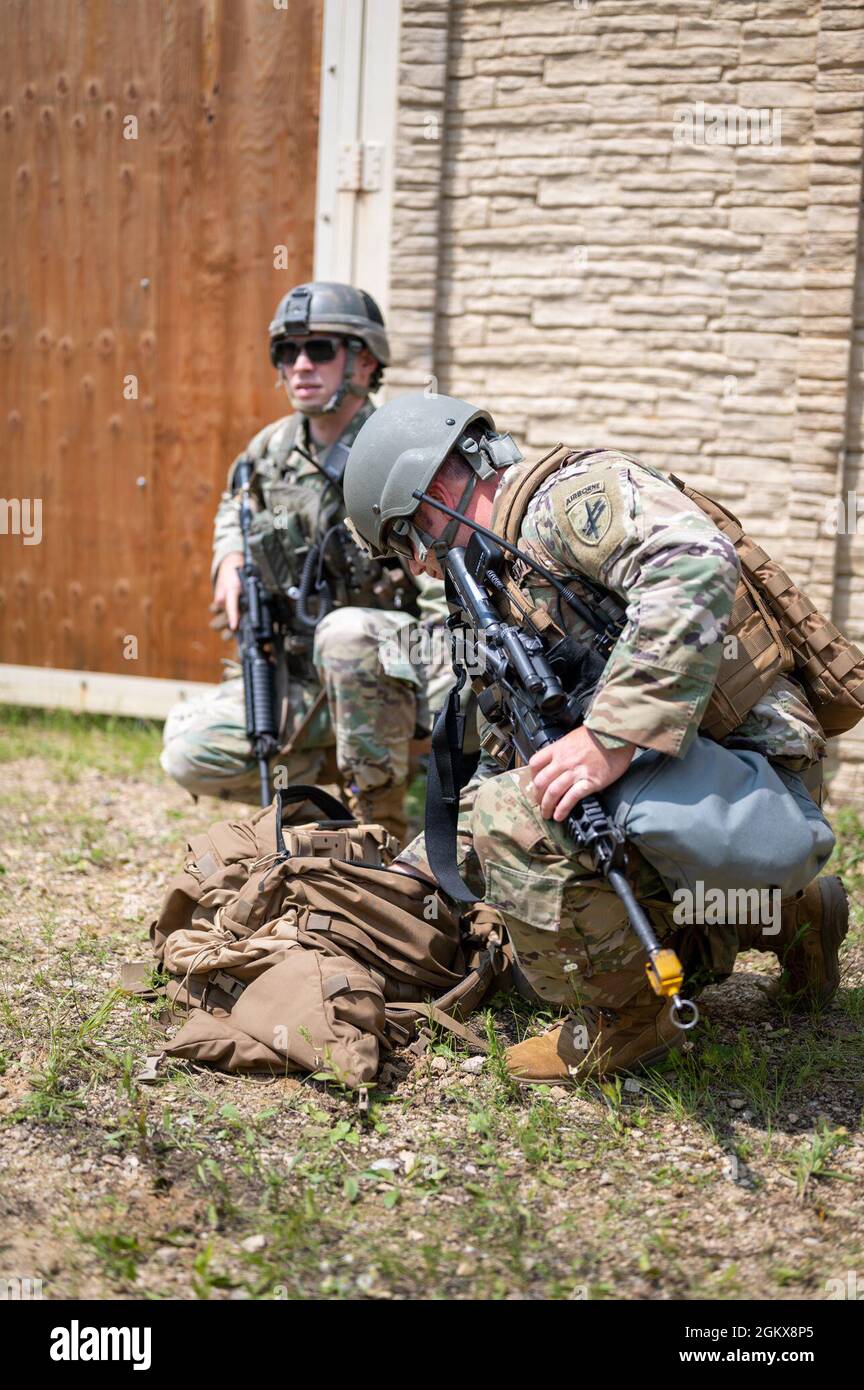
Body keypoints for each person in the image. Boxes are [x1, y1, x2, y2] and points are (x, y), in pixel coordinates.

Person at [341, 392, 848, 1082]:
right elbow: (510, 752)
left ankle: (631, 1018)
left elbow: (692, 560)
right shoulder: (495, 583)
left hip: (749, 770)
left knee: (517, 830)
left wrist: (609, 736)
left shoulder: (565, 500)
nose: (415, 567)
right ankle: (789, 917)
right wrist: (430, 864)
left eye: (403, 539)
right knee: (508, 907)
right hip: (676, 778)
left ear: (430, 490)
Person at [160, 284, 451, 842]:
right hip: (303, 676)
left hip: (395, 676)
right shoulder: (271, 448)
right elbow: (236, 504)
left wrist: (443, 706)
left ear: (365, 362)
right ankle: (333, 788)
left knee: (347, 637)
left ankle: (380, 828)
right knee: (188, 751)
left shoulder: (400, 450)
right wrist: (230, 555)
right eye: (286, 352)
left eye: (319, 349)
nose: (299, 365)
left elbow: (446, 591)